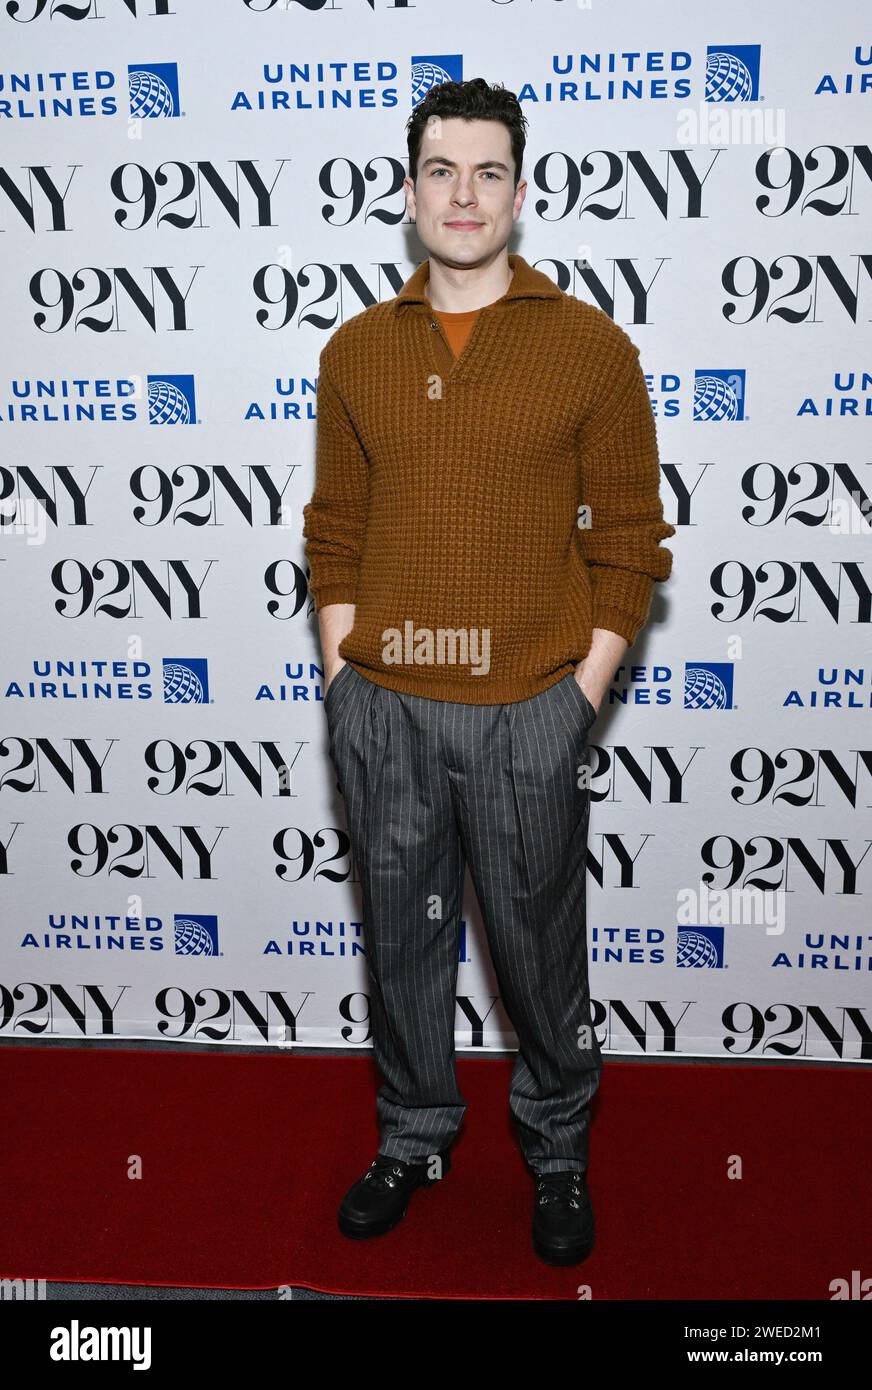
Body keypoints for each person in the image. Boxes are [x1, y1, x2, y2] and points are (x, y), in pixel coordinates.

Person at [302, 77, 675, 1266]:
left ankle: (556, 1149)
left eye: (487, 171)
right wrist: (342, 679)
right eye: (439, 171)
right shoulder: (356, 350)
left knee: (537, 948)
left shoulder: (588, 345)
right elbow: (335, 533)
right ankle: (413, 1132)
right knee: (401, 942)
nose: (462, 194)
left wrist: (574, 697)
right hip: (387, 708)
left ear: (521, 188)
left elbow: (627, 540)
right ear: (407, 192)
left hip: (527, 712)